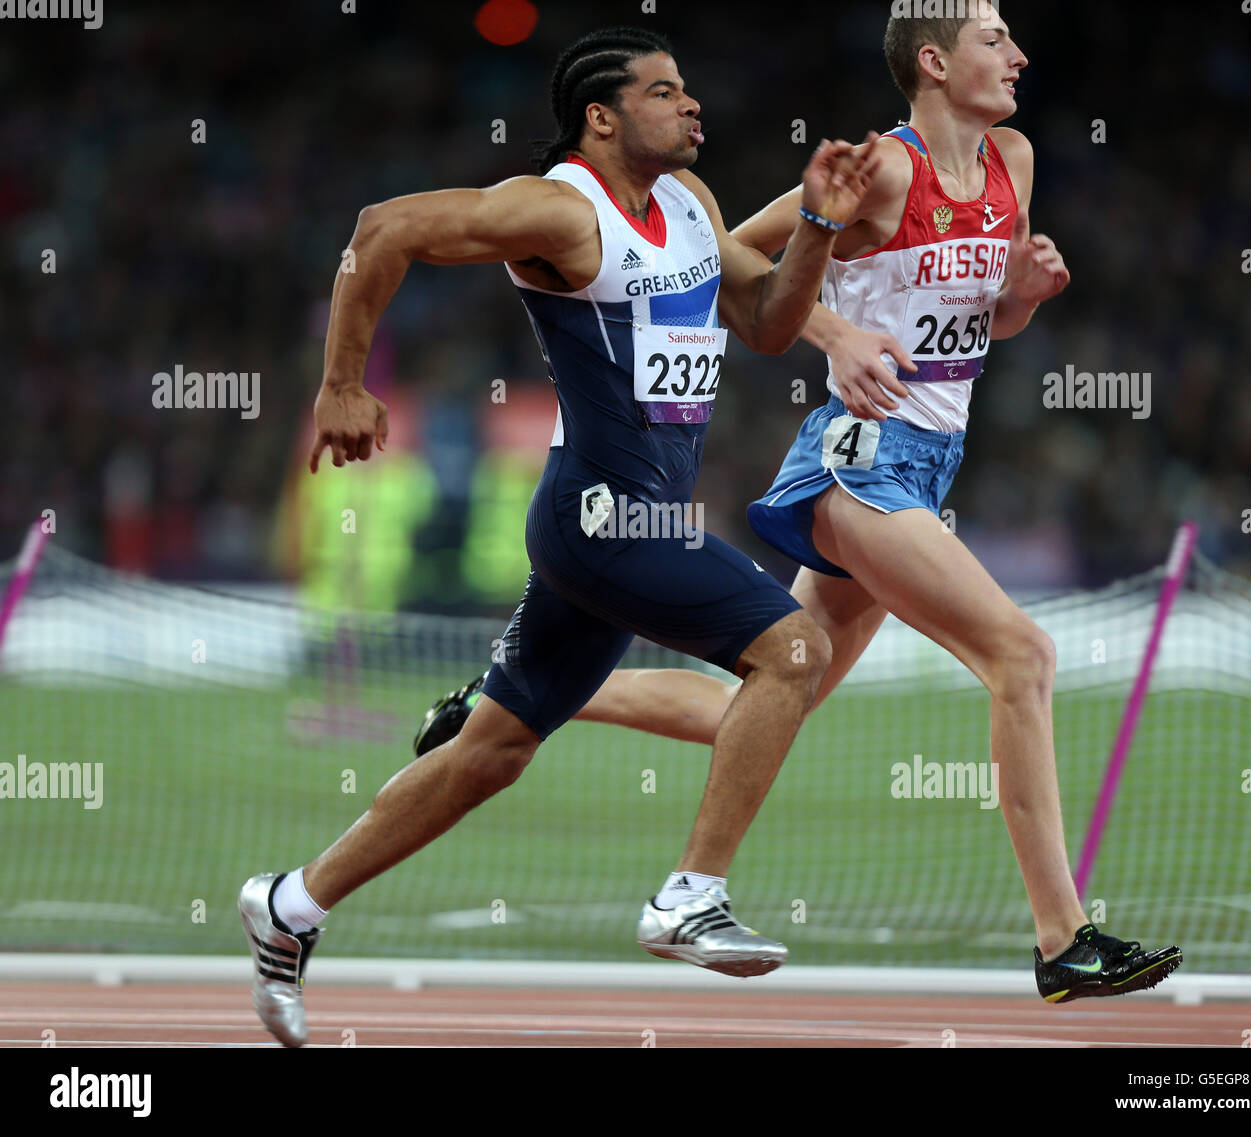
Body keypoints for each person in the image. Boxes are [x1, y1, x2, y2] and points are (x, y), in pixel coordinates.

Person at [417, 7, 1182, 1006]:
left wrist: (1026, 297)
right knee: (1020, 656)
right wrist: (830, 335)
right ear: (935, 61)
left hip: (932, 457)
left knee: (774, 701)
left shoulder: (1015, 161)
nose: (1021, 54)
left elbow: (978, 320)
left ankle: (511, 699)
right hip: (856, 462)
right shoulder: (882, 169)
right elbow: (715, 259)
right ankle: (1061, 939)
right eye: (996, 39)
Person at [240, 25, 882, 1047]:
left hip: (634, 519)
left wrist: (814, 226)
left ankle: (290, 907)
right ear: (602, 115)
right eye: (666, 92)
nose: (691, 106)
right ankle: (689, 897)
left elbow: (762, 321)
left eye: (687, 88)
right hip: (602, 516)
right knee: (794, 650)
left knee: (489, 753)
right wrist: (343, 383)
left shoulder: (687, 204)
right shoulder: (559, 208)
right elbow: (385, 225)